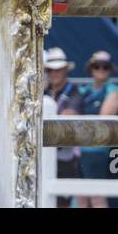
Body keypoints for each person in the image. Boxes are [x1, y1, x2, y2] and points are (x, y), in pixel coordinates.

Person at [79, 50, 118, 208]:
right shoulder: (83, 90)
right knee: (82, 197)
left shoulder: (114, 91)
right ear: (91, 68)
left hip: (99, 150)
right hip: (80, 151)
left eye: (105, 67)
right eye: (97, 66)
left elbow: (102, 120)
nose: (100, 69)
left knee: (97, 197)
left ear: (110, 69)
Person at [42, 48, 84, 208]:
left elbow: (70, 117)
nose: (54, 73)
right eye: (50, 70)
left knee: (63, 204)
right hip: (44, 156)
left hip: (66, 159)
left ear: (66, 70)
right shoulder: (43, 92)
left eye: (58, 70)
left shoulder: (74, 92)